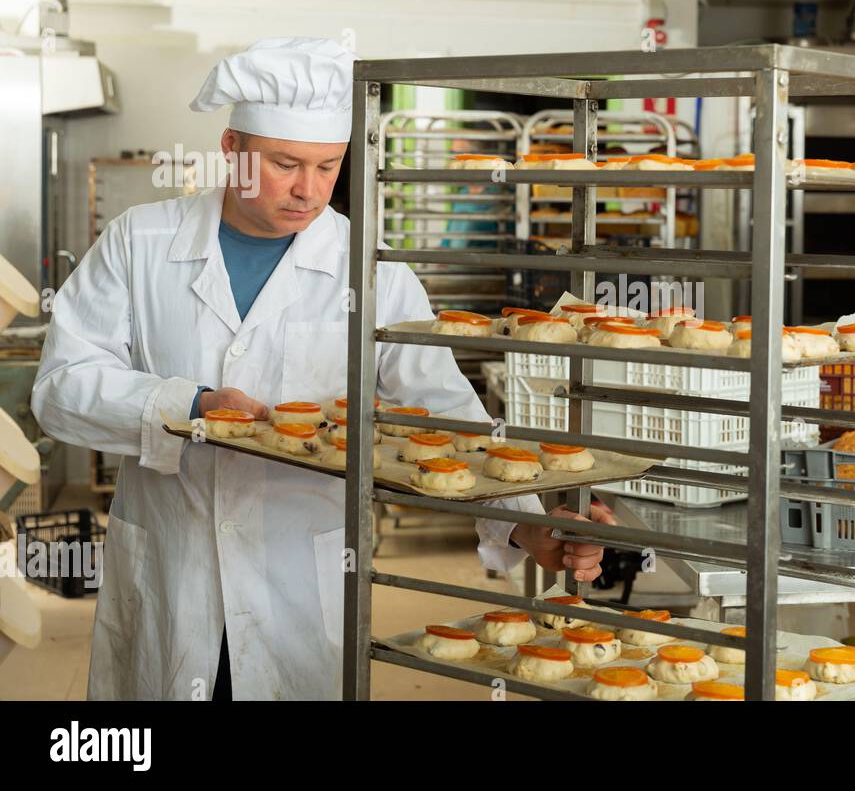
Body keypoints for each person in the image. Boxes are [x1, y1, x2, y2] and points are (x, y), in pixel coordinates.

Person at [32, 37, 614, 700]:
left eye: (327, 166)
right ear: (231, 150)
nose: (308, 190)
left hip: (301, 592)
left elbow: (449, 417)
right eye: (284, 164)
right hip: (170, 574)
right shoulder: (141, 242)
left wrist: (525, 520)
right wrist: (190, 408)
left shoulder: (370, 268)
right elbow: (60, 387)